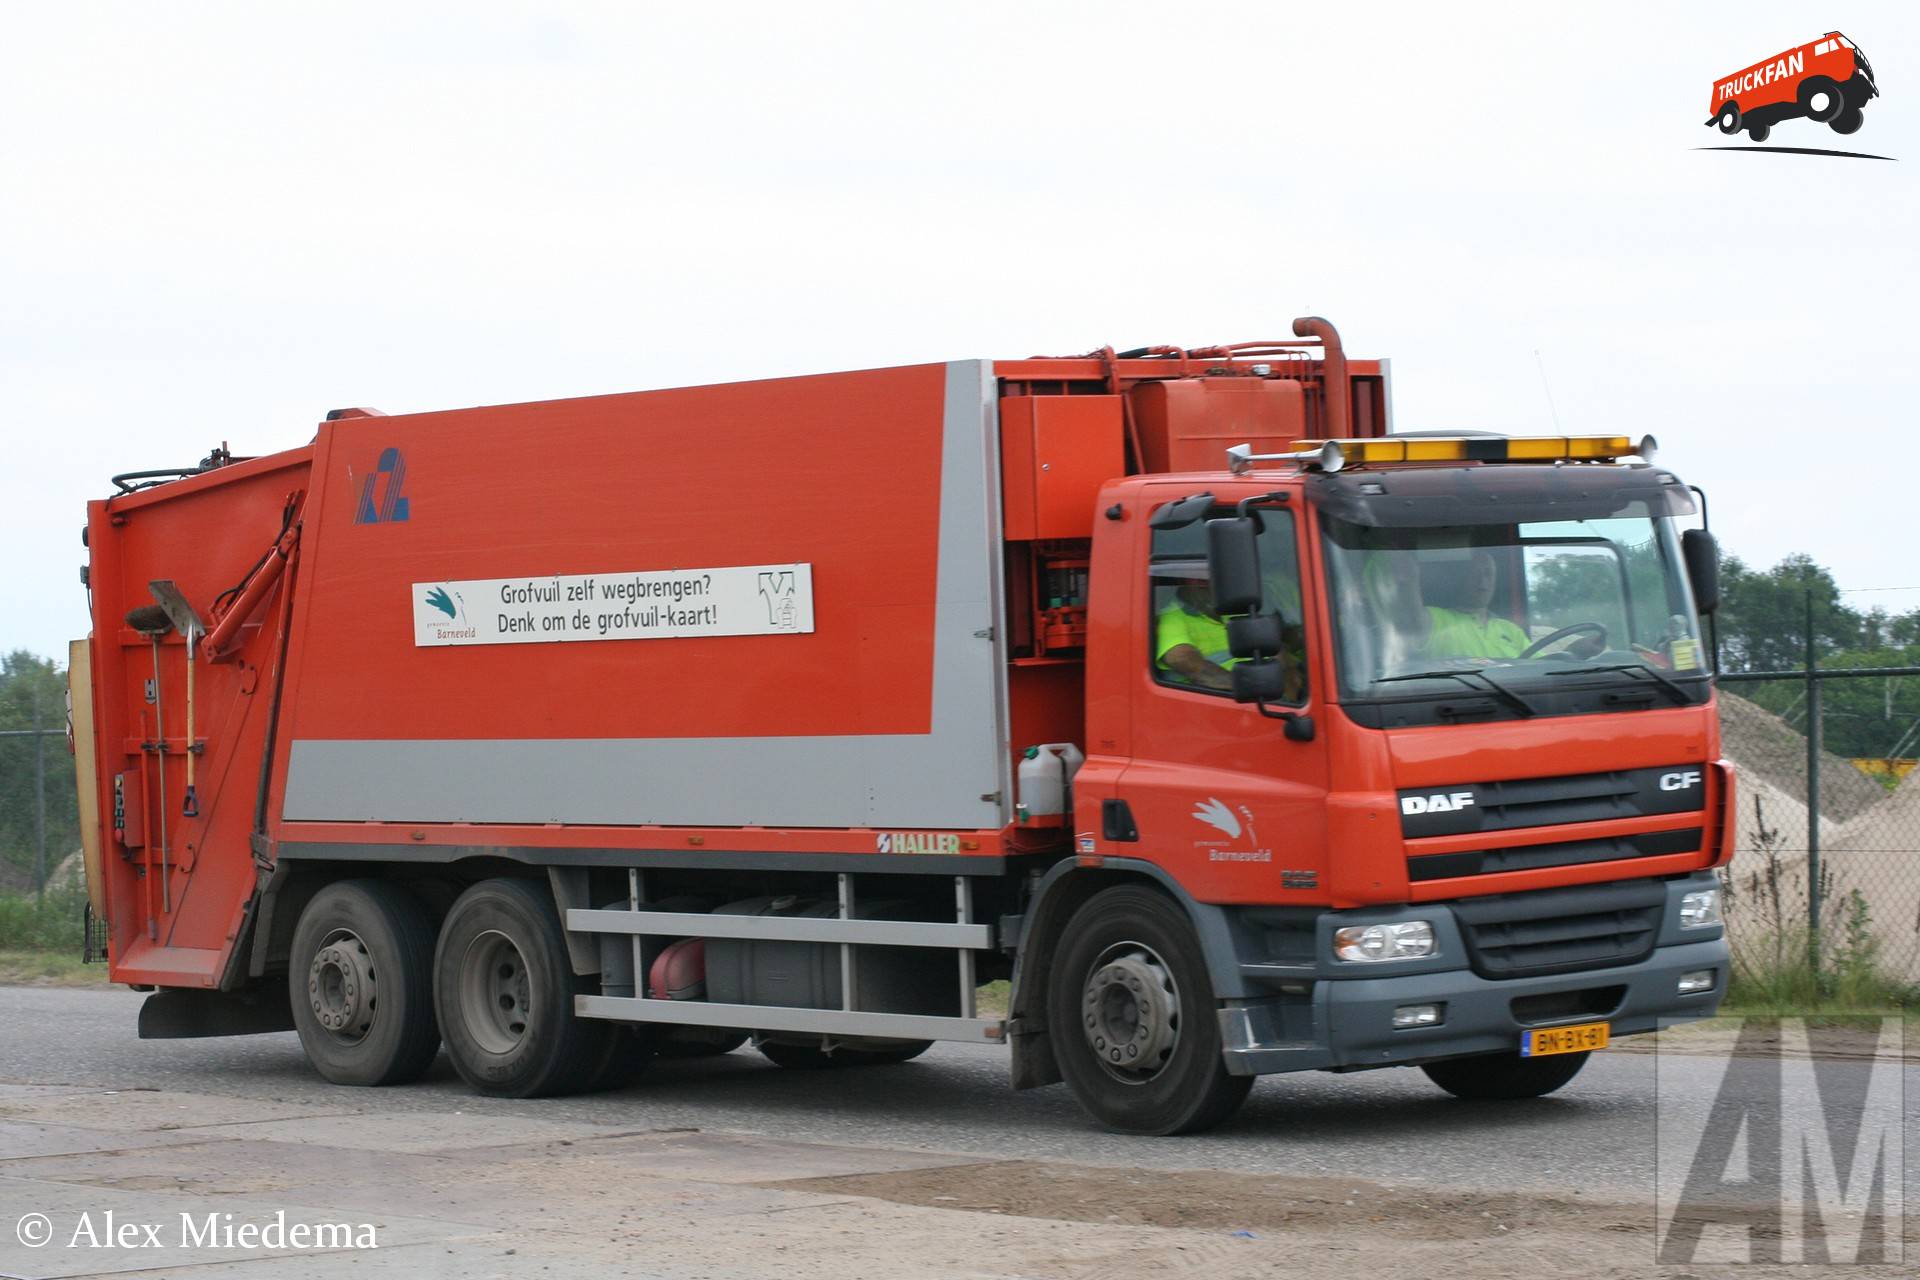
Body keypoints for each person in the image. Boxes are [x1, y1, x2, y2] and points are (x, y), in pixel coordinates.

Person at [1362, 548, 1527, 662]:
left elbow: (1544, 664)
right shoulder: (1437, 619)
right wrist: (1408, 577)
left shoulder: (1511, 630)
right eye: (1475, 574)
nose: (1483, 581)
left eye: (1488, 573)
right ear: (1461, 578)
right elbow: (1411, 618)